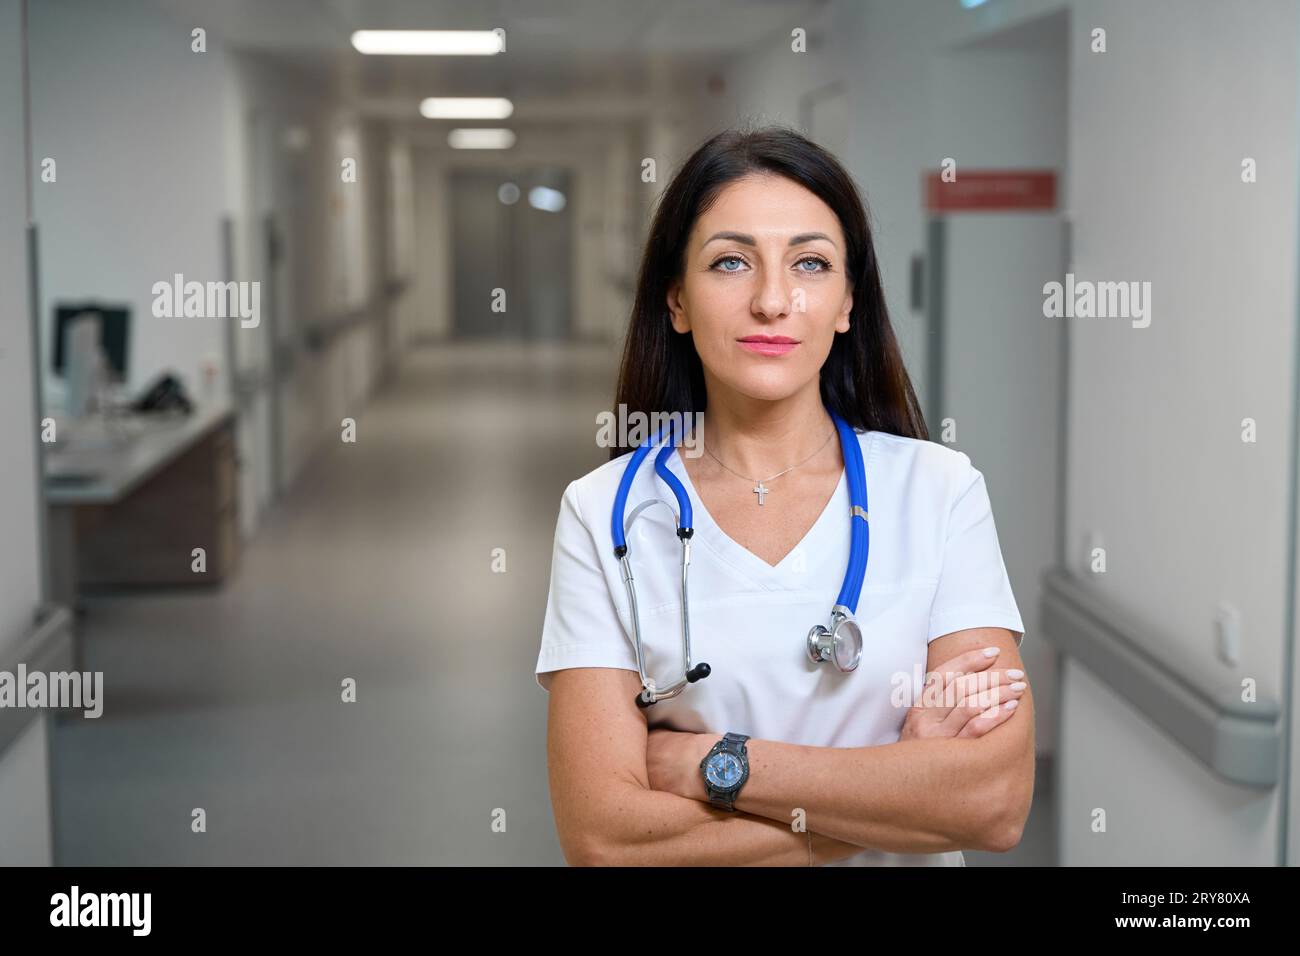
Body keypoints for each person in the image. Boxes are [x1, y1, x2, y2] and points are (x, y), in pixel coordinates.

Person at [534, 125, 1034, 866]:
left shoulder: (940, 491)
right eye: (731, 262)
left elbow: (990, 805)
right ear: (677, 299)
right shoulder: (605, 512)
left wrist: (713, 765)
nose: (773, 300)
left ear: (846, 303)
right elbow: (605, 841)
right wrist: (903, 791)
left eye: (810, 262)